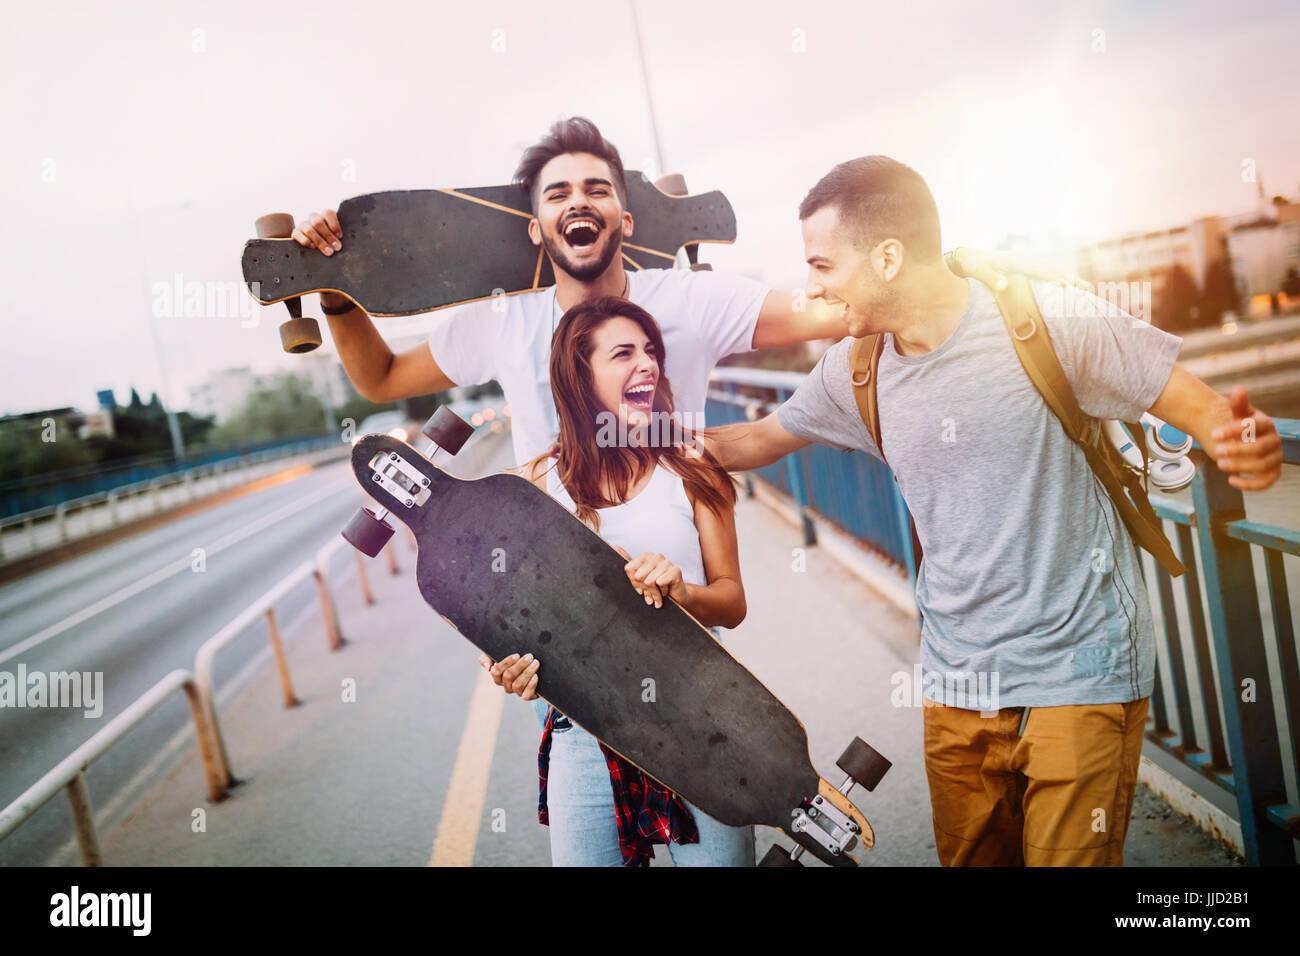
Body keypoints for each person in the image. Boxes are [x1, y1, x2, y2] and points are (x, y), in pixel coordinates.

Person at [695, 156, 1284, 866]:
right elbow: (757, 438)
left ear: (887, 257)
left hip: (1080, 670)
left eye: (822, 266)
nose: (811, 288)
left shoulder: (1050, 325)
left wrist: (1245, 446)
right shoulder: (857, 370)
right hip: (956, 687)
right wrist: (630, 445)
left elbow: (1211, 416)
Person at [290, 116, 1073, 471]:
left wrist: (949, 272)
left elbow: (839, 312)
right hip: (559, 613)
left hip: (685, 599)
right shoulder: (503, 323)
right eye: (556, 195)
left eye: (596, 188)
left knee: (715, 805)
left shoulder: (690, 301)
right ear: (536, 229)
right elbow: (381, 380)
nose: (577, 203)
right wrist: (335, 289)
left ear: (625, 217)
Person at [481, 296, 753, 866]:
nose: (648, 365)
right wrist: (504, 658)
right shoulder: (535, 486)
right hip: (584, 728)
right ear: (580, 378)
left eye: (651, 351)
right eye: (624, 353)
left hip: (703, 718)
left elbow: (732, 602)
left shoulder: (691, 465)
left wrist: (684, 595)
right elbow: (492, 599)